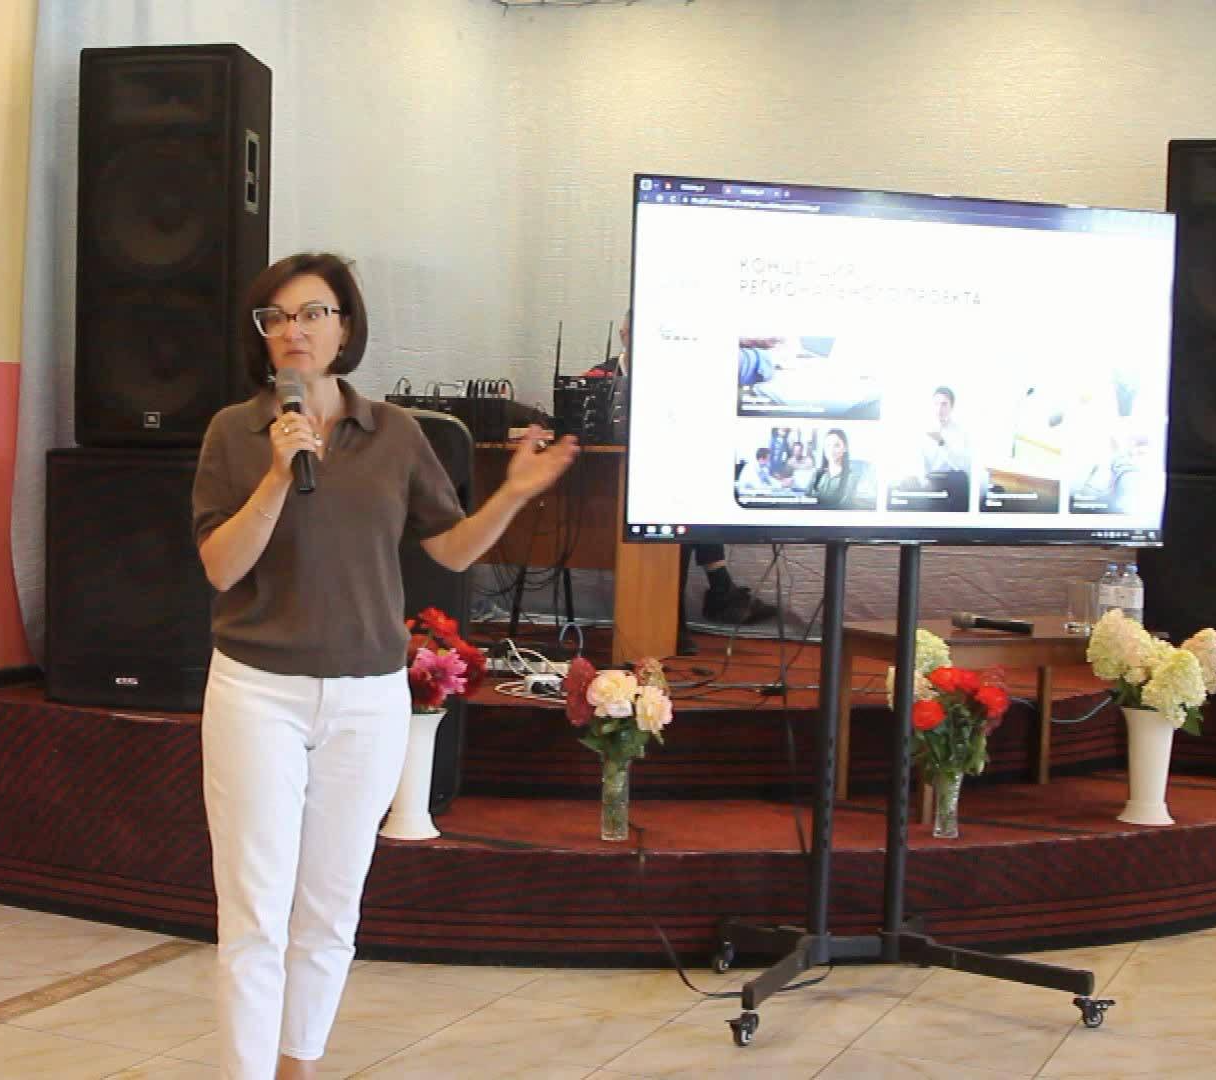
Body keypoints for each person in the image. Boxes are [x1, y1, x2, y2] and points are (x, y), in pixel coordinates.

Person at [191, 252, 579, 1080]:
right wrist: (276, 475)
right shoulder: (233, 431)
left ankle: (299, 1066)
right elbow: (222, 567)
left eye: (313, 313)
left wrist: (512, 493)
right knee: (255, 911)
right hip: (258, 691)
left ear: (346, 328)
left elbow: (451, 549)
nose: (294, 330)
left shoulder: (395, 433)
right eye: (275, 317)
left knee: (332, 908)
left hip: (367, 696)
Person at [611, 314, 778, 634]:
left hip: (667, 475)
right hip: (618, 481)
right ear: (623, 335)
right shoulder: (602, 376)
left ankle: (696, 603)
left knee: (694, 493)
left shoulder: (676, 375)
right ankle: (716, 589)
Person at [810, 428, 873, 509]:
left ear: (845, 448)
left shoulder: (852, 477)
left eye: (836, 445)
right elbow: (806, 500)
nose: (831, 450)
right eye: (828, 445)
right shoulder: (817, 475)